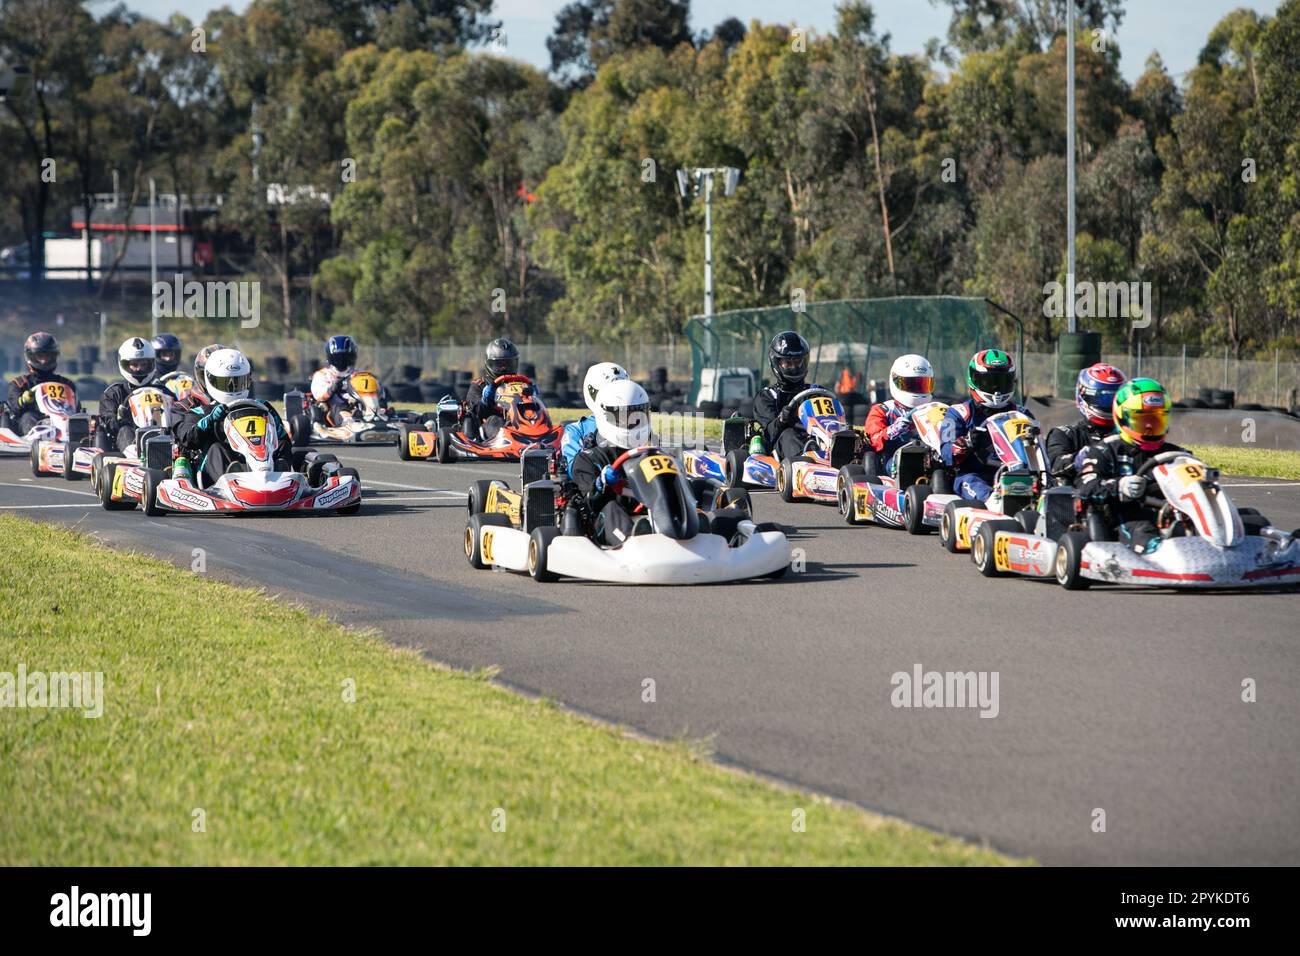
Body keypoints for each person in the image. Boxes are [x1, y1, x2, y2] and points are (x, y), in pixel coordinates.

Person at [1076, 377, 1185, 553]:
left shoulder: (1177, 454)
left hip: (1173, 515)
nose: (1149, 426)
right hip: (1127, 520)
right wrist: (1120, 486)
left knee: (1244, 520)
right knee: (1147, 533)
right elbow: (1085, 487)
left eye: (1156, 419)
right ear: (1123, 418)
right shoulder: (1106, 450)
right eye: (1142, 420)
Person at [174, 348, 290, 486]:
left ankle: (283, 476)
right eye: (227, 383)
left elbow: (282, 437)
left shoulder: (262, 406)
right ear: (211, 380)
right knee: (217, 448)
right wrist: (211, 419)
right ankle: (231, 478)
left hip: (262, 461)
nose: (234, 387)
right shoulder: (201, 412)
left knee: (283, 445)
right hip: (219, 472)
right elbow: (188, 440)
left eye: (239, 382)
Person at [939, 349, 1036, 501]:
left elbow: (1036, 448)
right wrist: (965, 443)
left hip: (1017, 475)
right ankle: (994, 503)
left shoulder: (1021, 414)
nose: (996, 389)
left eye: (1002, 382)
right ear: (975, 379)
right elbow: (945, 452)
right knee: (975, 485)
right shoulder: (959, 413)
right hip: (975, 475)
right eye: (989, 382)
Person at [570, 379, 654, 545]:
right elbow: (588, 504)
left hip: (651, 513)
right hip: (604, 525)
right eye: (624, 417)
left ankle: (693, 527)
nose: (632, 422)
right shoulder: (589, 458)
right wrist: (601, 484)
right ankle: (633, 540)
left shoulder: (651, 451)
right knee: (610, 507)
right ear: (605, 416)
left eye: (637, 416)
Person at [1046, 363, 1126, 482]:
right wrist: (1080, 458)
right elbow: (1055, 465)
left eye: (1114, 399)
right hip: (1076, 496)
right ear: (1083, 394)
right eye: (1103, 399)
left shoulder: (1128, 438)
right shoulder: (1065, 434)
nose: (1110, 405)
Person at [753, 330, 825, 461]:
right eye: (788, 362)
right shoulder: (767, 396)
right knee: (788, 434)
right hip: (783, 449)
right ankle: (809, 463)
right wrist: (781, 420)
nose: (794, 367)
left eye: (798, 361)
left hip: (818, 441)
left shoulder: (816, 392)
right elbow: (769, 434)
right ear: (776, 363)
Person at [863, 354, 934, 472]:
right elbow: (874, 441)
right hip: (893, 460)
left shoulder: (932, 410)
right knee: (905, 464)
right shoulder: (883, 410)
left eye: (922, 385)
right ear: (895, 381)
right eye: (911, 384)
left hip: (929, 459)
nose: (917, 390)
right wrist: (893, 430)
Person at [560, 362, 629, 475]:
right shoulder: (576, 430)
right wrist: (590, 450)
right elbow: (573, 469)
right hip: (595, 485)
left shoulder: (635, 424)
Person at [5, 332, 77, 434]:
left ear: (54, 356)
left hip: (61, 423)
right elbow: (14, 410)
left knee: (78, 422)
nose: (44, 361)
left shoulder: (66, 384)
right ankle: (38, 443)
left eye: (47, 356)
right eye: (40, 356)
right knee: (28, 417)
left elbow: (75, 411)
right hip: (30, 428)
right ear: (31, 356)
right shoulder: (19, 384)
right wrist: (24, 400)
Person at [99, 337, 158, 453]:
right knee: (125, 430)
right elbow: (108, 420)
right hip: (128, 441)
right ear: (125, 364)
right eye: (134, 364)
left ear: (151, 364)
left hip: (161, 436)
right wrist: (120, 419)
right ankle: (135, 460)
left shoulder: (162, 391)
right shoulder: (114, 393)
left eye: (144, 364)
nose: (139, 369)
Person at [464, 338, 522, 440]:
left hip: (519, 424)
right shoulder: (479, 386)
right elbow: (473, 412)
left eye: (508, 364)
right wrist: (484, 401)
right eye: (500, 365)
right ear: (489, 363)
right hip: (490, 427)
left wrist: (531, 394)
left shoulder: (520, 385)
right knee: (496, 420)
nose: (505, 369)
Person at [309, 334, 360, 426]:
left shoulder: (358, 374)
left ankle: (380, 418)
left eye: (345, 357)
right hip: (333, 410)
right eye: (338, 358)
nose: (342, 361)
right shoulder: (322, 375)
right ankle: (349, 422)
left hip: (358, 406)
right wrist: (333, 387)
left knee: (377, 404)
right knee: (340, 407)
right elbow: (319, 395)